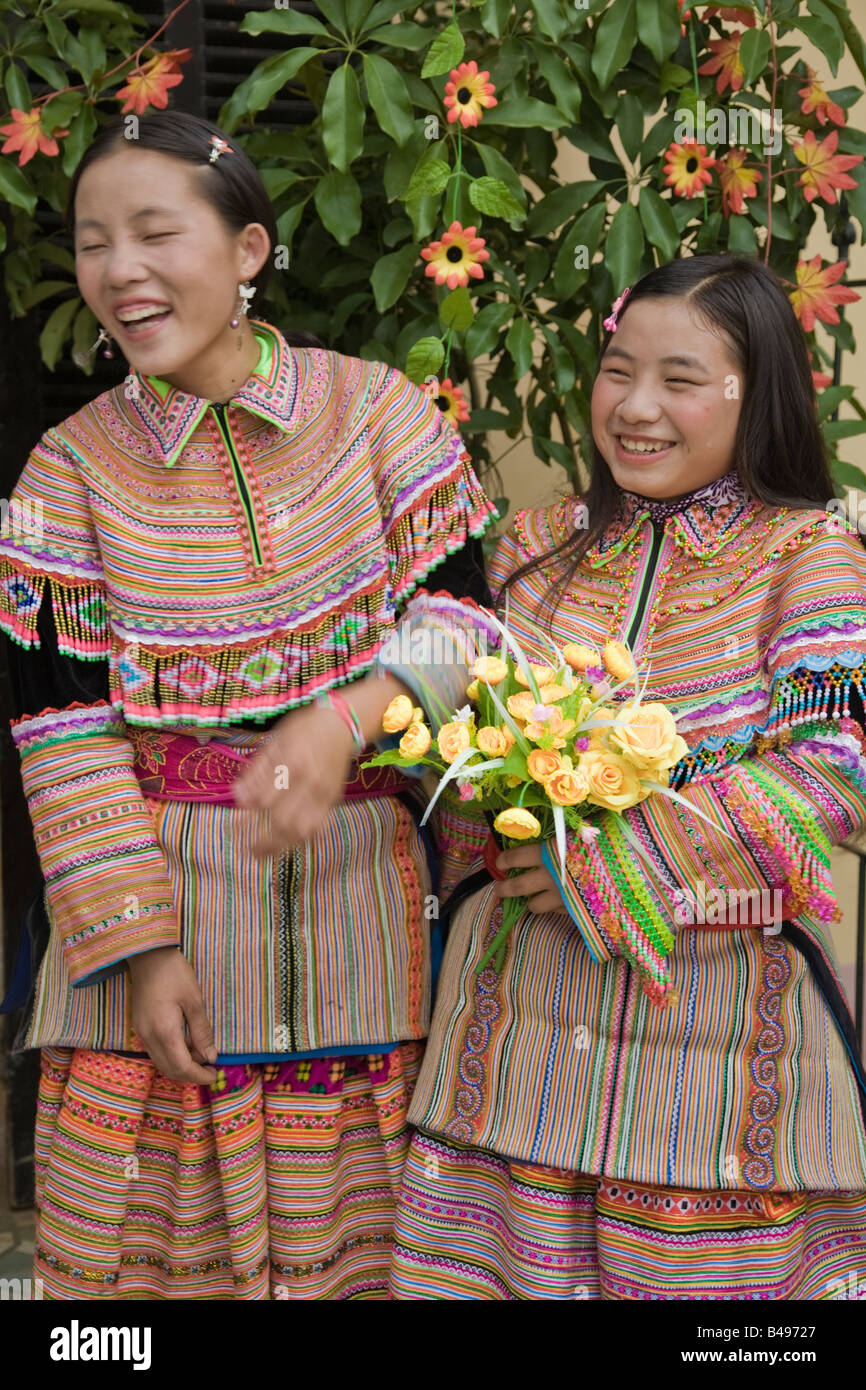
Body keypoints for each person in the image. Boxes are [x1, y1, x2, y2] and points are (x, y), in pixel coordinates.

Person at [0, 109, 498, 1299]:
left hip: (366, 917)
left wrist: (347, 717)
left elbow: (469, 629)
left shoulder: (376, 414)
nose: (119, 271)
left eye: (155, 233)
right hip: (161, 930)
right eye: (92, 243)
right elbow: (59, 732)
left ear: (250, 250)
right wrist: (139, 948)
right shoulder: (66, 475)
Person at [379, 253, 866, 1299]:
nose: (634, 407)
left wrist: (600, 868)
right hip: (511, 1052)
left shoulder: (806, 555)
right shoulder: (532, 546)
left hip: (716, 1054)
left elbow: (832, 771)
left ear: (754, 393)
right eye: (616, 369)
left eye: (679, 380)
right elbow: (438, 733)